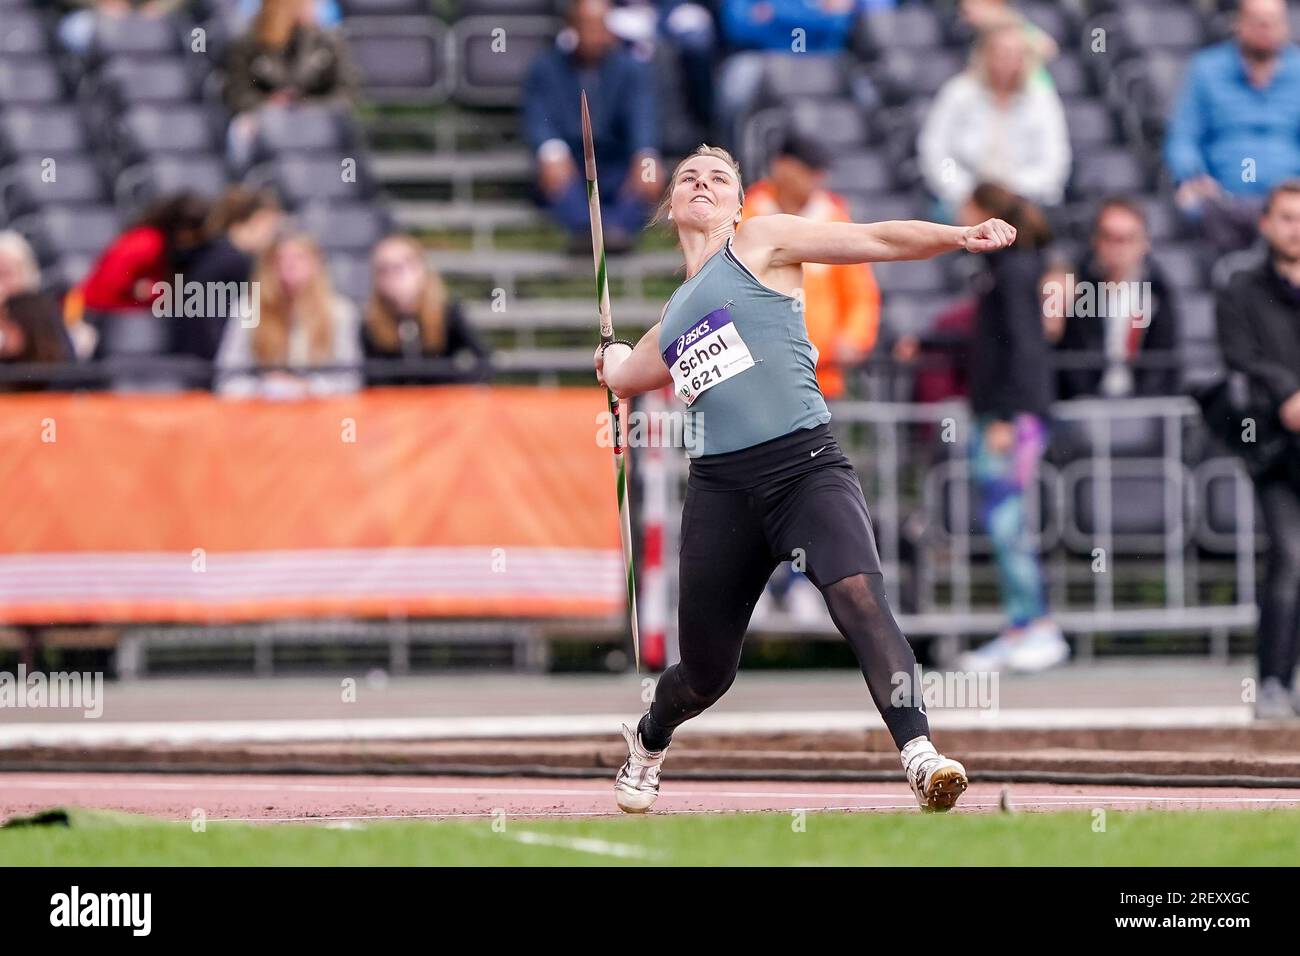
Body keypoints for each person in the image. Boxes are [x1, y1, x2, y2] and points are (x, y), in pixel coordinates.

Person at [593, 144, 1020, 813]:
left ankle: (921, 756)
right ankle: (648, 740)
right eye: (687, 178)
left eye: (719, 178)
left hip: (805, 467)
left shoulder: (762, 242)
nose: (702, 184)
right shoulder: (673, 318)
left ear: (740, 205)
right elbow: (625, 373)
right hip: (721, 492)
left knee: (857, 594)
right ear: (670, 206)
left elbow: (874, 237)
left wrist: (957, 236)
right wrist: (612, 358)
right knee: (706, 674)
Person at [954, 183, 1068, 674]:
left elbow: (1023, 346)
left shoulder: (1015, 270)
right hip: (1005, 410)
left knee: (1008, 523)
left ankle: (1035, 625)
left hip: (1012, 416)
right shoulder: (1002, 270)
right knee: (1006, 521)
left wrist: (1005, 417)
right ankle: (1024, 624)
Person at [1215, 180, 1300, 719]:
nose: (1296, 228)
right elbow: (1238, 353)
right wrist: (1286, 393)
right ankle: (1273, 683)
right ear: (1266, 224)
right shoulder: (1241, 288)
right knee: (1290, 557)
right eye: (1287, 218)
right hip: (1274, 449)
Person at [739, 131, 881, 400]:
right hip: (754, 374)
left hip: (820, 377)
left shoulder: (833, 220)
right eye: (809, 169)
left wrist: (854, 337)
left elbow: (860, 293)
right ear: (781, 166)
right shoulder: (745, 217)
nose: (817, 178)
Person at [522, 0, 661, 252]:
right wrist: (551, 151)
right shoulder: (546, 67)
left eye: (600, 26)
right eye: (587, 26)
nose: (594, 33)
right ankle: (587, 230)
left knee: (648, 173)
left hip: (616, 161)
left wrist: (645, 156)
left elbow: (643, 117)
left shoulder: (630, 68)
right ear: (572, 28)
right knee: (554, 172)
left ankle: (615, 231)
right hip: (572, 161)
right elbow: (539, 117)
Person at [1165, 0, 1300, 257]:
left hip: (1291, 202)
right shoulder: (1207, 70)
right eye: (1258, 21)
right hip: (1223, 199)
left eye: (1272, 21)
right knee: (1195, 204)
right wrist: (1193, 175)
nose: (1265, 28)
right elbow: (1183, 136)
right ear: (1239, 24)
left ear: (1285, 26)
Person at [918, 21, 1070, 217]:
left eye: (1017, 54)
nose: (1009, 61)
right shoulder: (958, 93)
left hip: (1023, 200)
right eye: (1001, 52)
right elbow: (937, 152)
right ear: (984, 54)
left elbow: (1053, 162)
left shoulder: (1042, 99)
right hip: (964, 199)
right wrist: (962, 191)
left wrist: (1011, 194)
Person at [1052, 197, 1180, 400]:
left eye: (1127, 238)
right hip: (1085, 408)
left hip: (1143, 408)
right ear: (1095, 240)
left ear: (1144, 243)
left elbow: (1162, 365)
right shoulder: (1077, 289)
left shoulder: (1159, 292)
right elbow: (1071, 366)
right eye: (1108, 237)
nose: (1117, 248)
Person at [215, 232, 361, 397]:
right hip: (261, 412)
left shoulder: (340, 312)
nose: (289, 266)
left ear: (316, 264)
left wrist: (308, 388)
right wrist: (262, 388)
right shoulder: (247, 309)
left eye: (299, 258)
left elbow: (350, 382)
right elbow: (227, 379)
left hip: (320, 413)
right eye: (280, 260)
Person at [223, 0, 359, 169]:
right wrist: (270, 104)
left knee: (338, 130)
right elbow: (236, 92)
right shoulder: (248, 42)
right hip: (264, 117)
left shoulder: (328, 41)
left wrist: (306, 105)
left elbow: (346, 92)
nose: (314, 7)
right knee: (242, 128)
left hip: (315, 115)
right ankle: (248, 177)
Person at [173, 186, 283, 368]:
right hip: (211, 363)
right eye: (270, 227)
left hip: (193, 357)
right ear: (257, 220)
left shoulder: (214, 252)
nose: (272, 236)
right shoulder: (236, 262)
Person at [363, 235, 490, 386]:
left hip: (443, 403)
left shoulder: (447, 312)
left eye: (399, 268)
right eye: (383, 270)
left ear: (420, 268)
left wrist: (458, 387)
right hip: (393, 406)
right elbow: (370, 378)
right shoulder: (370, 322)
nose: (392, 277)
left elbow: (484, 359)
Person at [79, 192, 210, 316]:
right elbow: (111, 282)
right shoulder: (149, 243)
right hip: (100, 314)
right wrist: (150, 291)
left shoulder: (160, 244)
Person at [0, 232, 75, 392]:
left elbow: (64, 366)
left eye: (6, 274)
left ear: (25, 273)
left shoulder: (43, 310)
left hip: (42, 399)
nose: (1, 285)